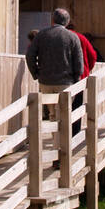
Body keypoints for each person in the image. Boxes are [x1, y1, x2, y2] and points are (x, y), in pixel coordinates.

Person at [25, 9, 85, 142]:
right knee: (64, 116)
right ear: (67, 21)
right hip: (65, 82)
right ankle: (62, 149)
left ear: (53, 20)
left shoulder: (41, 35)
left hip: (45, 82)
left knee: (52, 115)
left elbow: (30, 56)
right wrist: (77, 78)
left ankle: (56, 145)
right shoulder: (72, 37)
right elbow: (79, 62)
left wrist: (36, 74)